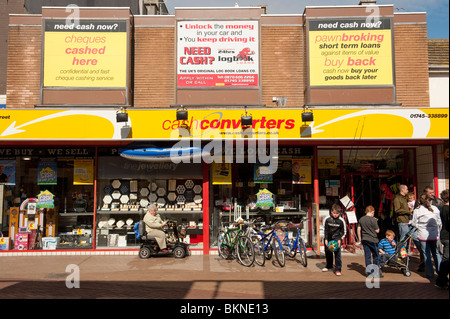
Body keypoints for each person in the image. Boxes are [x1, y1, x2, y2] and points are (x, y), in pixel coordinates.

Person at [411, 192, 442, 280]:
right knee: (436, 253)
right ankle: (440, 272)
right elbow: (439, 222)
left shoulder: (417, 210)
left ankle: (430, 274)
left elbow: (414, 223)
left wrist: (419, 227)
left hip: (423, 235)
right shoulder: (435, 209)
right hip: (434, 235)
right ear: (429, 199)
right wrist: (437, 231)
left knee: (426, 254)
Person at [322, 204, 347, 276]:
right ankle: (329, 265)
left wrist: (339, 239)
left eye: (337, 213)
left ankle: (338, 269)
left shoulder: (341, 220)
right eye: (334, 213)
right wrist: (326, 239)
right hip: (329, 238)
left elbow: (343, 231)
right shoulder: (327, 219)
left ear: (339, 213)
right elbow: (325, 229)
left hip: (337, 238)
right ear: (331, 212)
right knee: (328, 252)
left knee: (337, 254)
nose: (335, 215)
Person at [356, 205, 380, 276]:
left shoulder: (361, 219)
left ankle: (369, 272)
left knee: (367, 256)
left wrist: (360, 239)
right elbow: (377, 231)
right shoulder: (373, 220)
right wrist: (376, 222)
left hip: (365, 239)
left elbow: (358, 229)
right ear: (372, 212)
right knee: (375, 255)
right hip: (373, 239)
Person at [436, 189, 449, 289]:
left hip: (444, 235)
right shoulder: (447, 209)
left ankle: (442, 280)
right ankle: (441, 281)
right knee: (446, 260)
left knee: (446, 259)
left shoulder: (442, 208)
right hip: (447, 236)